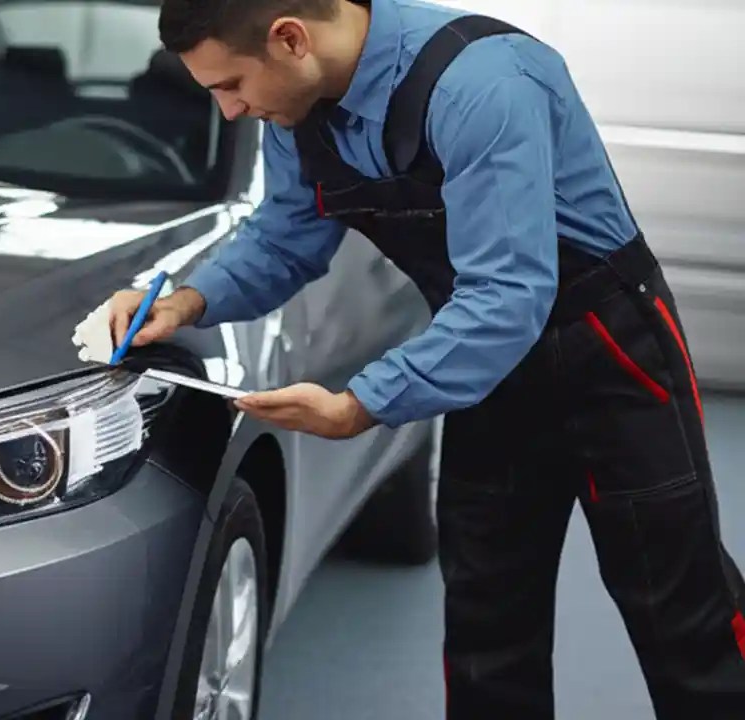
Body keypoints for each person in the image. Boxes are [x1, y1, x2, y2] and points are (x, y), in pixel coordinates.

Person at [105, 0, 745, 717]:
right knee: (486, 622)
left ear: (290, 38)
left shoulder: (484, 83)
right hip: (481, 363)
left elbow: (509, 293)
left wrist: (361, 405)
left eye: (229, 86)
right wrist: (187, 301)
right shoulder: (296, 107)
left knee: (679, 610)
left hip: (610, 351)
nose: (229, 110)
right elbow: (285, 238)